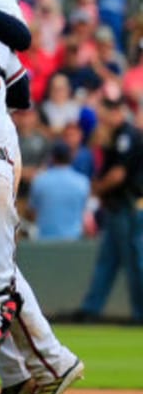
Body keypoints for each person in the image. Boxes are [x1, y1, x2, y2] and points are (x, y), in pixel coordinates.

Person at [77, 96, 143, 323]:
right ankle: (91, 309)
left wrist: (97, 190)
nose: (102, 118)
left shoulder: (126, 135)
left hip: (128, 205)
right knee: (108, 261)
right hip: (116, 207)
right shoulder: (114, 135)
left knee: (135, 261)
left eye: (105, 113)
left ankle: (140, 312)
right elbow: (96, 147)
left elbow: (118, 175)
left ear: (116, 112)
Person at [28, 142, 90, 241]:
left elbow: (32, 212)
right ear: (71, 157)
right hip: (73, 241)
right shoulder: (83, 182)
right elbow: (84, 213)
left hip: (45, 242)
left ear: (52, 158)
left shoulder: (39, 180)